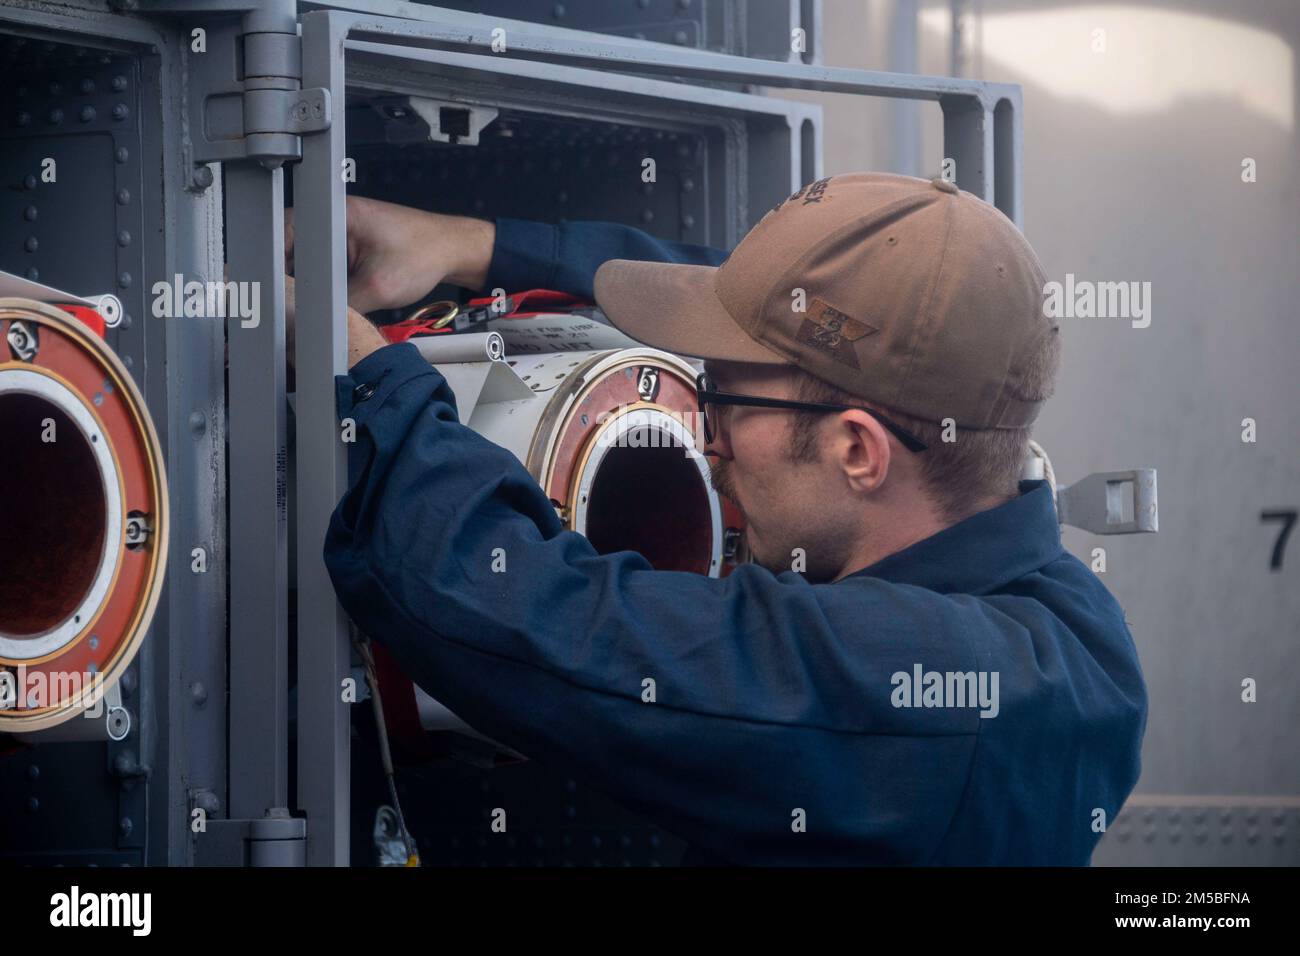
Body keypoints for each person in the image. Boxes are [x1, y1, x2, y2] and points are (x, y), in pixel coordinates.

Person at [286, 173, 1147, 865]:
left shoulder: (905, 693)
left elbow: (522, 613)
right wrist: (469, 245)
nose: (711, 438)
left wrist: (374, 378)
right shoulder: (1083, 634)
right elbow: (777, 299)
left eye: (722, 395)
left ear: (858, 451)